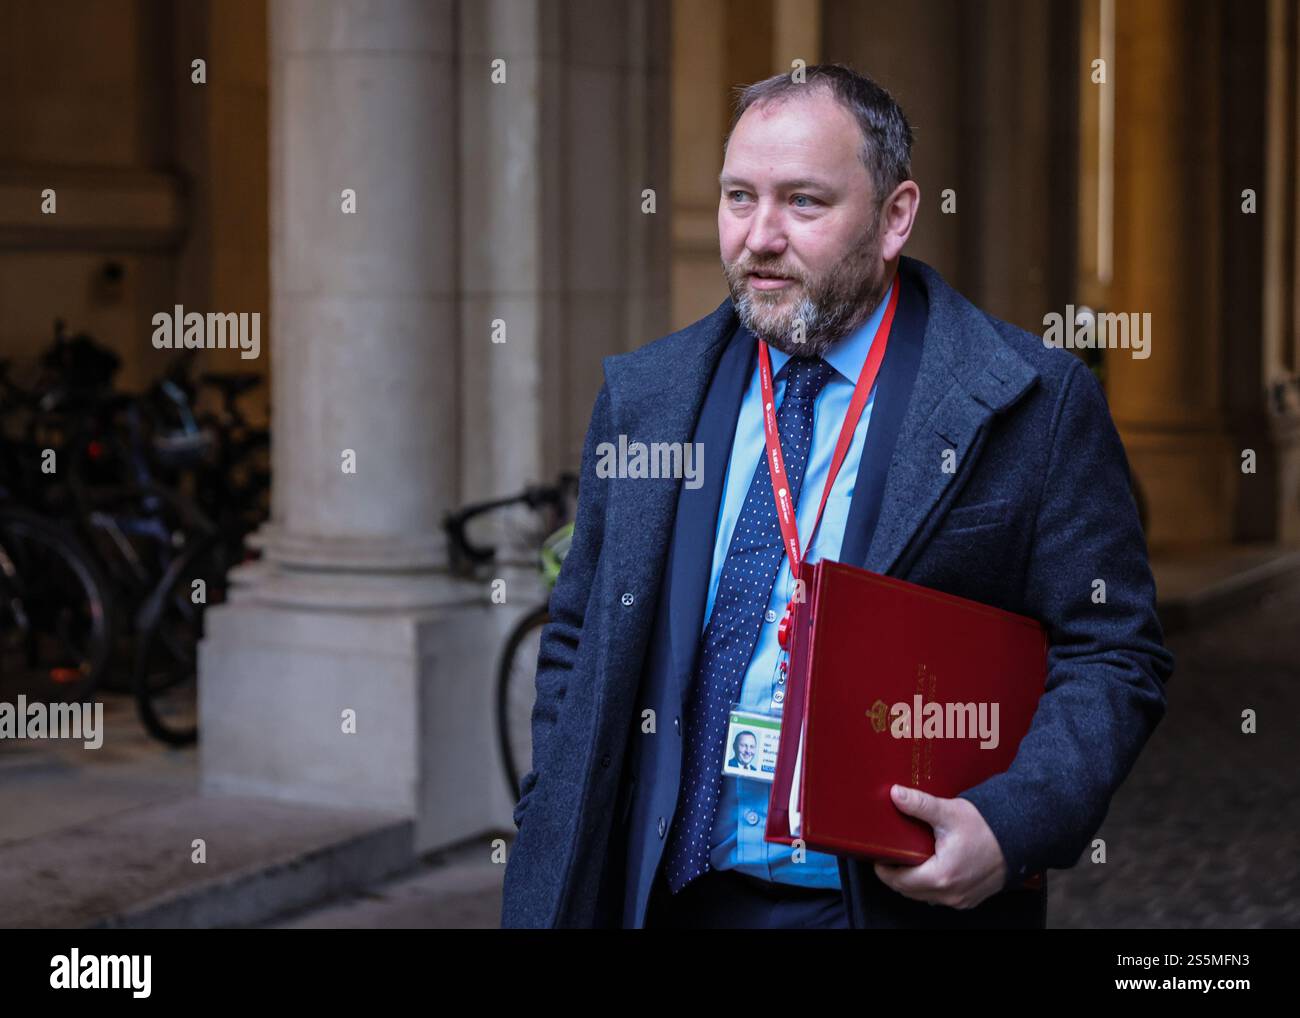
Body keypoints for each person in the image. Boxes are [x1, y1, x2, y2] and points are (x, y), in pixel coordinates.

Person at [501, 64, 1173, 929]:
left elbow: (1113, 652)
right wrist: (552, 820)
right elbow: (579, 633)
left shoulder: (1033, 404)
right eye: (739, 197)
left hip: (878, 906)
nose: (760, 237)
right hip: (656, 898)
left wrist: (1012, 825)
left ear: (895, 217)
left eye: (804, 203)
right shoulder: (647, 399)